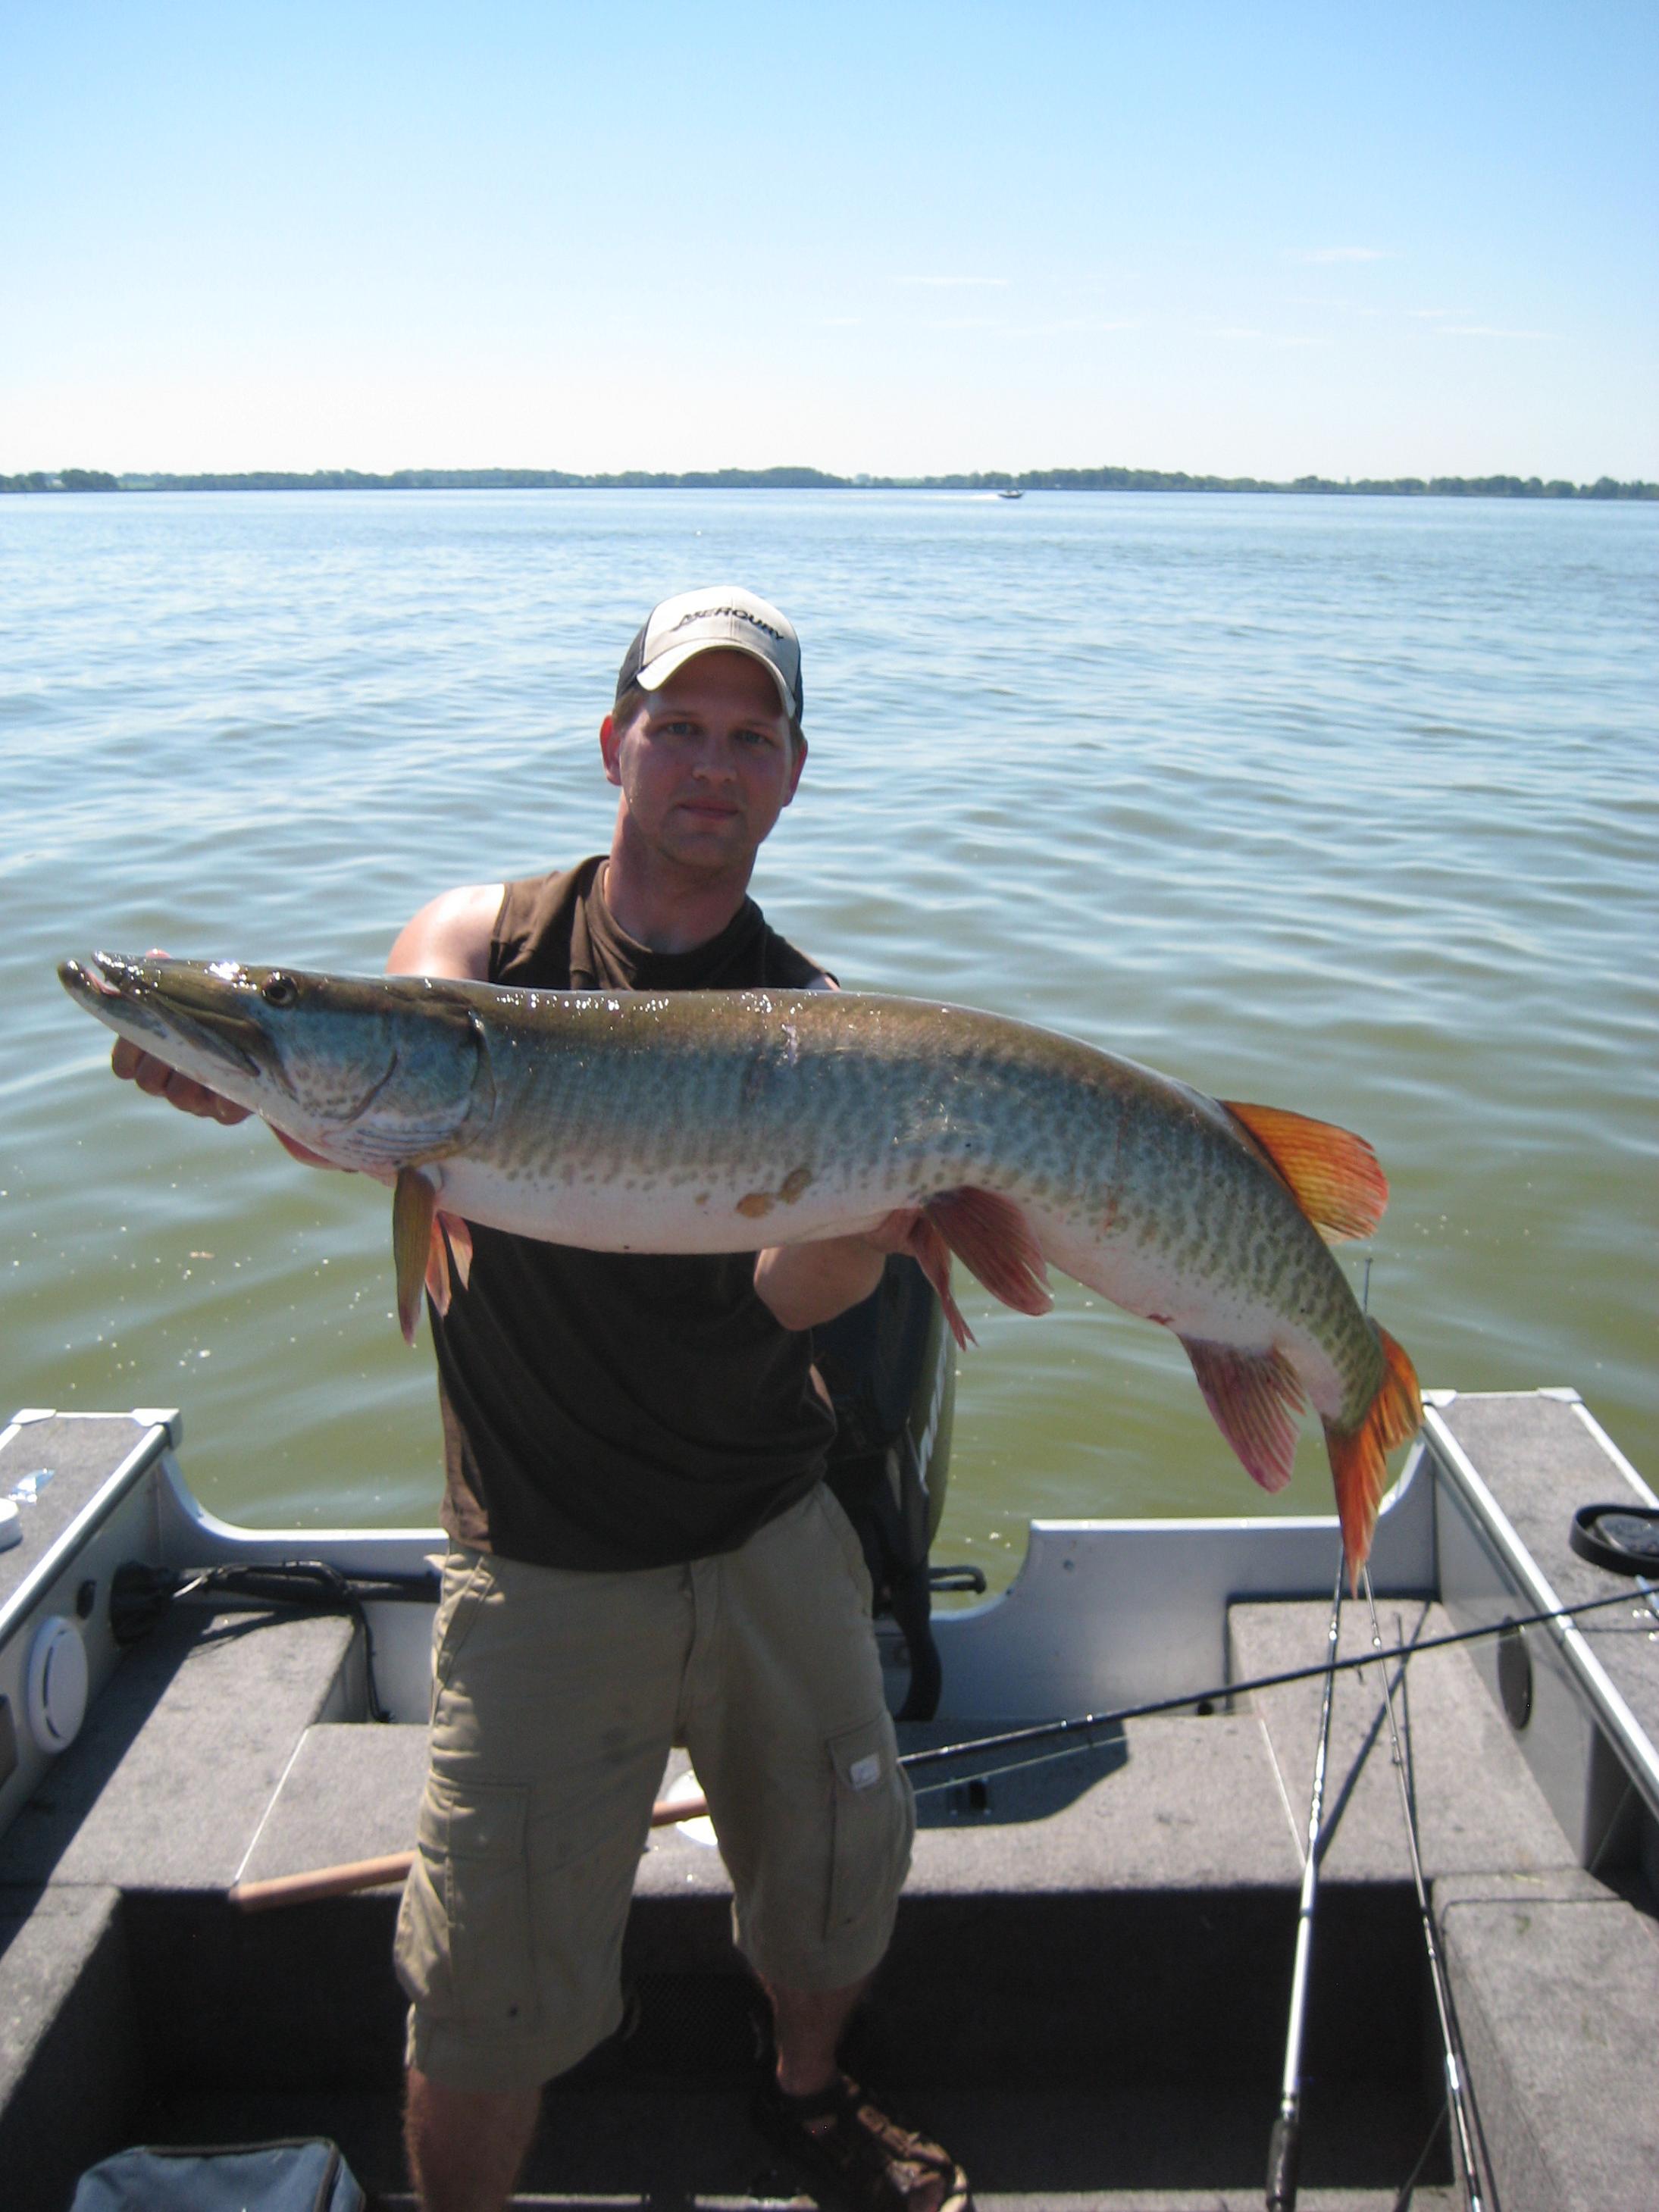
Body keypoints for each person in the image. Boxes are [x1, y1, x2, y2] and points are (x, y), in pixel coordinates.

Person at [113, 587, 971, 2212]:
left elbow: (792, 1297)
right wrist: (236, 1065)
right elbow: (370, 1099)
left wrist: (862, 1231)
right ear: (614, 746)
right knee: (485, 1973)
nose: (709, 766)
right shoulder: (476, 951)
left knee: (835, 1880)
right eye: (677, 728)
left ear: (790, 776)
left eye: (748, 738)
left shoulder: (818, 1017)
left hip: (769, 1528)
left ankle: (805, 2089)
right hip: (542, 1560)